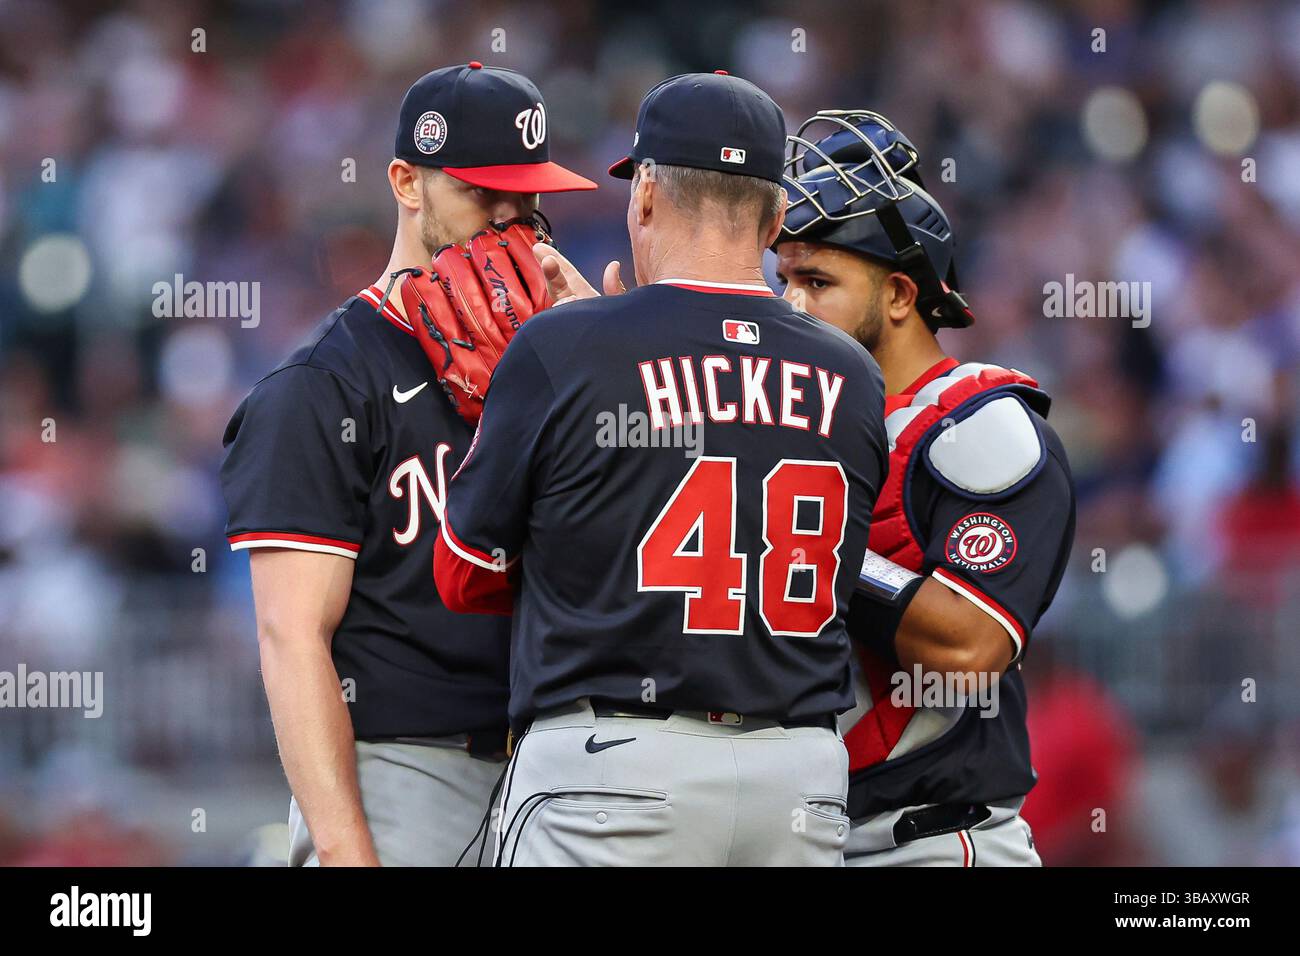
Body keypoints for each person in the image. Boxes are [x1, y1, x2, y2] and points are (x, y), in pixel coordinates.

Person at [433, 72, 888, 866]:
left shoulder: (566, 348)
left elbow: (464, 573)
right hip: (800, 781)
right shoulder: (852, 374)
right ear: (778, 216)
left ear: (644, 194)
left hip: (616, 773)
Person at [220, 62, 594, 867]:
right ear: (406, 182)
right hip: (403, 771)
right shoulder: (324, 382)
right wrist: (349, 851)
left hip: (561, 769)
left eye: (524, 197)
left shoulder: (561, 365)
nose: (508, 219)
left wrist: (601, 351)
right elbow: (293, 639)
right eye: (480, 193)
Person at [774, 110, 1077, 865]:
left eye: (818, 281)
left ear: (902, 295)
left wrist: (820, 539)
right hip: (802, 838)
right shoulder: (791, 422)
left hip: (930, 840)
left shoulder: (981, 428)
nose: (792, 306)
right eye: (783, 280)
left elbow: (971, 647)